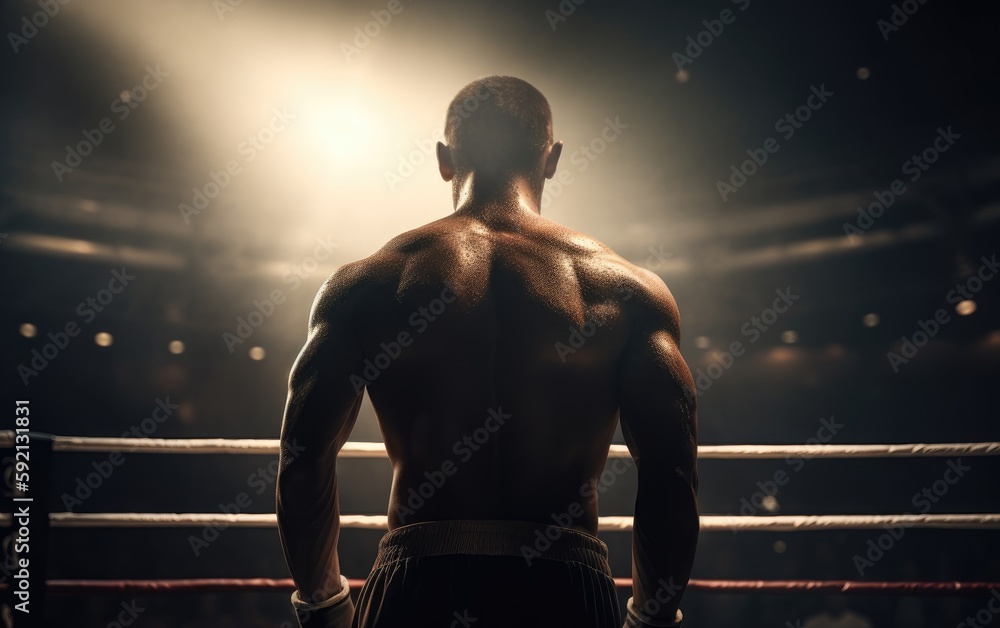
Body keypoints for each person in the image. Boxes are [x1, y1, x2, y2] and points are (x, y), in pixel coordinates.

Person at [276, 75, 699, 628]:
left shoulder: (370, 283)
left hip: (419, 583)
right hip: (562, 586)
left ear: (444, 158)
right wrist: (653, 618)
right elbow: (671, 474)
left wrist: (323, 605)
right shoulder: (625, 290)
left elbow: (302, 455)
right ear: (551, 159)